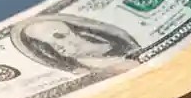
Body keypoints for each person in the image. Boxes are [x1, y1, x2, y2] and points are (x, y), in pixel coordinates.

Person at [11, 14, 141, 76]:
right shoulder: (85, 68)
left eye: (59, 36)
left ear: (77, 30)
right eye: (47, 45)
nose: (57, 46)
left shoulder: (122, 45)